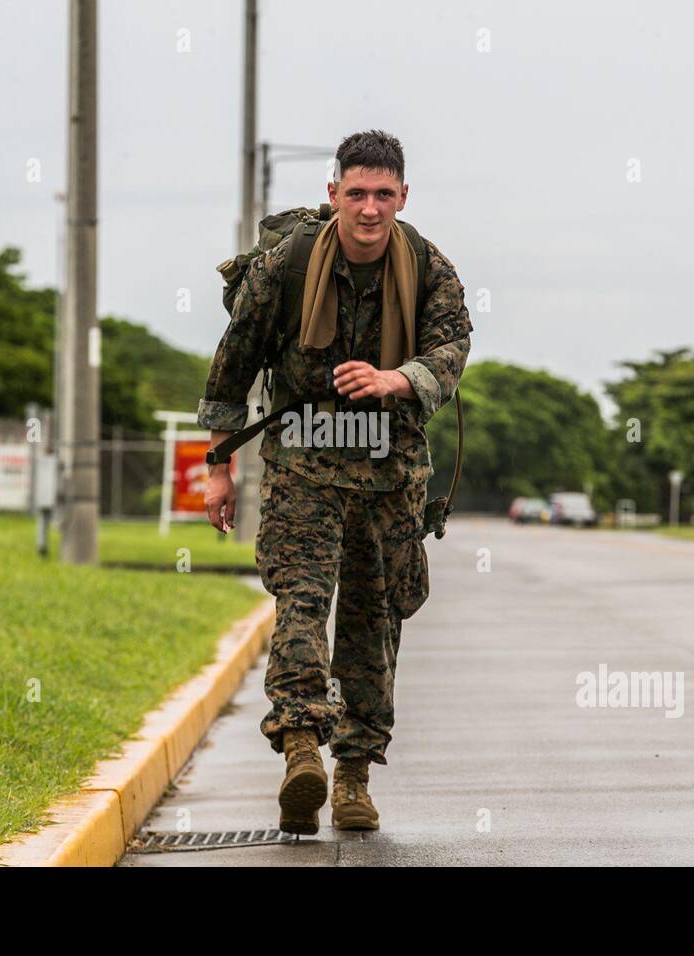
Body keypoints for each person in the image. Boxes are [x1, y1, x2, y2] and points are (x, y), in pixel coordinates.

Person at [197, 129, 471, 834]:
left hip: (391, 478)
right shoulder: (287, 266)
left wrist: (395, 379)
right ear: (334, 195)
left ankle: (352, 774)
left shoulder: (428, 267)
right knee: (301, 603)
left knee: (373, 626)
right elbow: (233, 365)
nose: (370, 208)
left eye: (384, 194)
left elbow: (451, 346)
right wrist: (218, 470)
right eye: (357, 193)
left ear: (402, 196)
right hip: (305, 470)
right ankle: (299, 750)